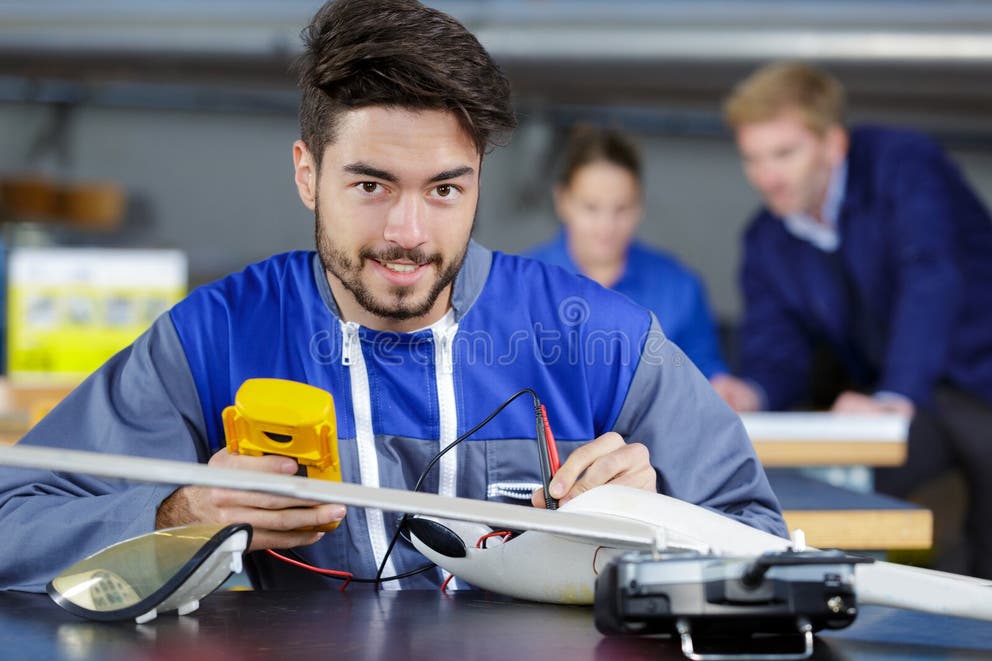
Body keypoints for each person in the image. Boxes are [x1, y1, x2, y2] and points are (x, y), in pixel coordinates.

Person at [0, 0, 786, 593]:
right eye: (371, 184)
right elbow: (13, 520)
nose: (408, 232)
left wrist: (652, 529)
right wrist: (171, 517)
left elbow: (764, 546)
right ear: (308, 173)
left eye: (445, 188)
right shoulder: (214, 337)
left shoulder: (599, 337)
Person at [721, 61, 992, 578]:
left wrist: (896, 395)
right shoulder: (766, 238)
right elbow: (777, 345)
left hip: (978, 377)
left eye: (784, 153)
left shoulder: (903, 164)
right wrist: (752, 390)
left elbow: (929, 277)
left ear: (833, 143)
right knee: (838, 499)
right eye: (752, 158)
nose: (766, 176)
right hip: (903, 396)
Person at [526, 126, 752, 401]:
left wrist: (724, 390)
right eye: (591, 208)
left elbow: (703, 375)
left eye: (621, 208)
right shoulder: (521, 285)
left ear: (640, 205)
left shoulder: (679, 286)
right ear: (562, 201)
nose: (606, 226)